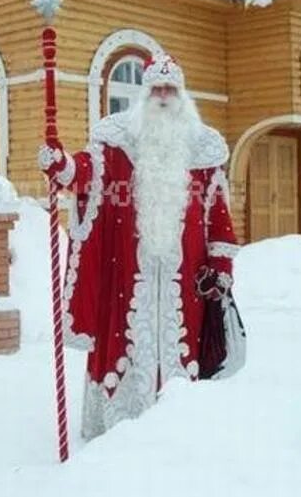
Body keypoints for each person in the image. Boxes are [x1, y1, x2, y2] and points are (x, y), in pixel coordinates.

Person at [39, 54, 245, 439]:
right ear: (144, 94)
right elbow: (84, 173)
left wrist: (222, 272)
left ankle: (180, 424)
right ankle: (123, 429)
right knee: (127, 344)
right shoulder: (118, 142)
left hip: (187, 285)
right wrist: (62, 164)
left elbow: (219, 220)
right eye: (156, 89)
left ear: (182, 97)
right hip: (127, 278)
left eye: (171, 89)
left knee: (182, 349)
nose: (164, 97)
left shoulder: (204, 151)